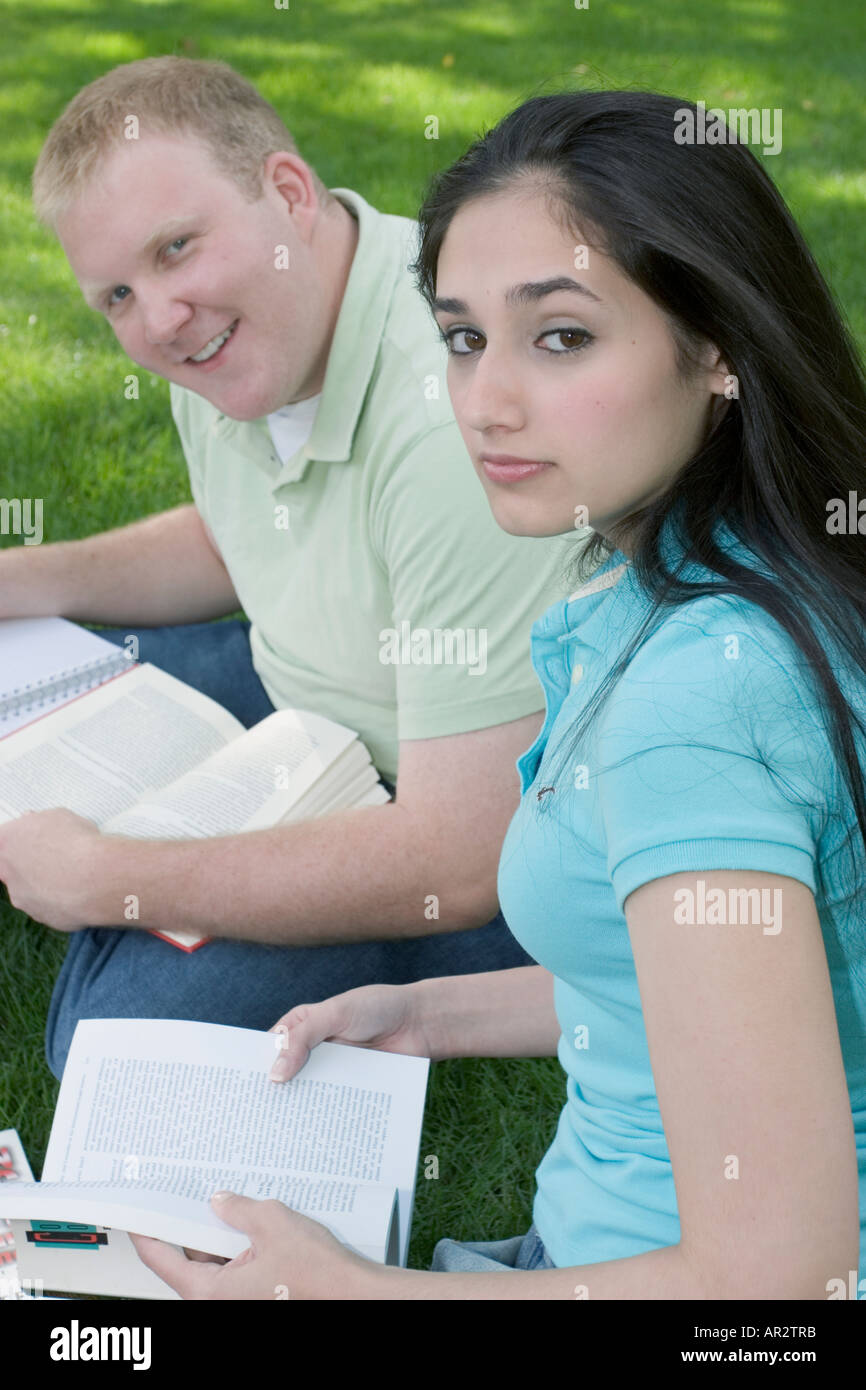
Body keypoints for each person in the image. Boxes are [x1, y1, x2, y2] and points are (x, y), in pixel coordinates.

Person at [133, 88, 866, 1298]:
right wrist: (423, 1018)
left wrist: (352, 1297)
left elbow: (772, 1278)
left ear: (716, 345)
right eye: (462, 337)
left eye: (561, 336)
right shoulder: (722, 584)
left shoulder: (691, 713)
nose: (484, 401)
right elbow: (695, 984)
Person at [0, 57, 574, 1080]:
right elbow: (239, 533)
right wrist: (23, 579)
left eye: (177, 248)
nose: (159, 319)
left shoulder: (448, 419)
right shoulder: (234, 328)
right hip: (306, 693)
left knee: (106, 1045)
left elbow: (454, 858)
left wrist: (108, 879)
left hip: (453, 810)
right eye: (117, 294)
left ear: (291, 194)